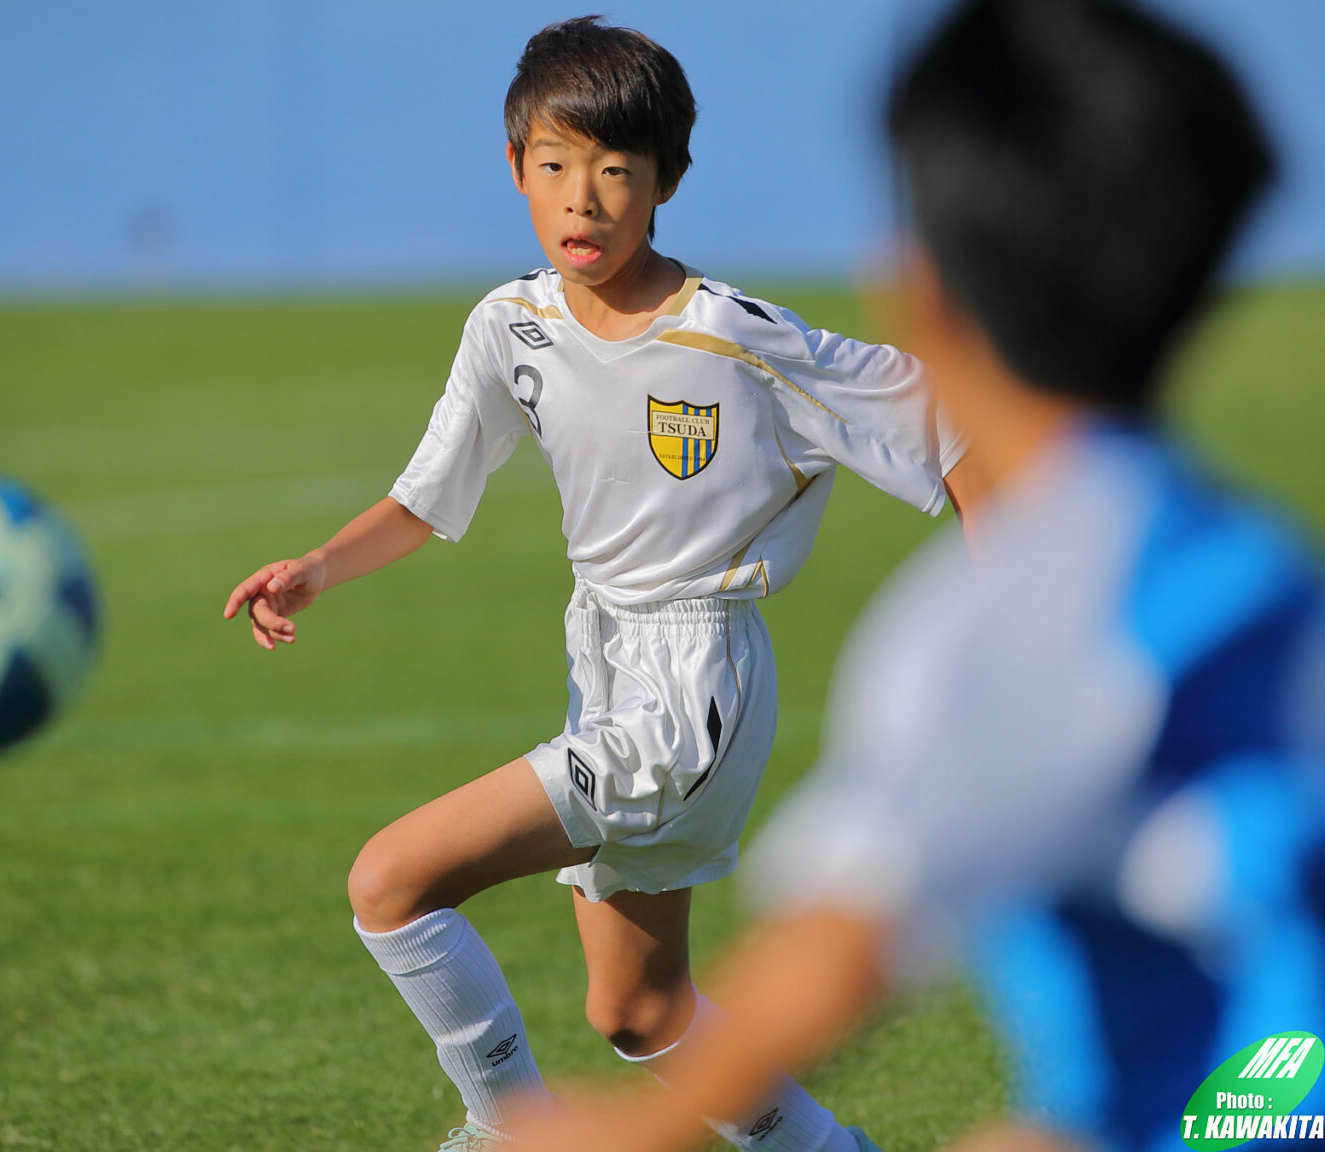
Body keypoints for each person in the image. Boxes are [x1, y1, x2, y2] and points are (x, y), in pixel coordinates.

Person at [508, 1, 1325, 1151]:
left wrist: (634, 1133)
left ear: (920, 295)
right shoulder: (1257, 559)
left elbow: (846, 940)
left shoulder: (1010, 622)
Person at [223, 15, 973, 1152]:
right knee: (640, 1013)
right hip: (606, 665)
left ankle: (510, 1131)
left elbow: (953, 424)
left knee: (391, 881)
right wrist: (321, 566)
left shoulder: (734, 340)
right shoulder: (508, 324)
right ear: (517, 167)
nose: (584, 198)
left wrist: (1023, 603)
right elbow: (430, 493)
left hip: (693, 688)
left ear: (667, 180)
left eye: (617, 171)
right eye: (557, 165)